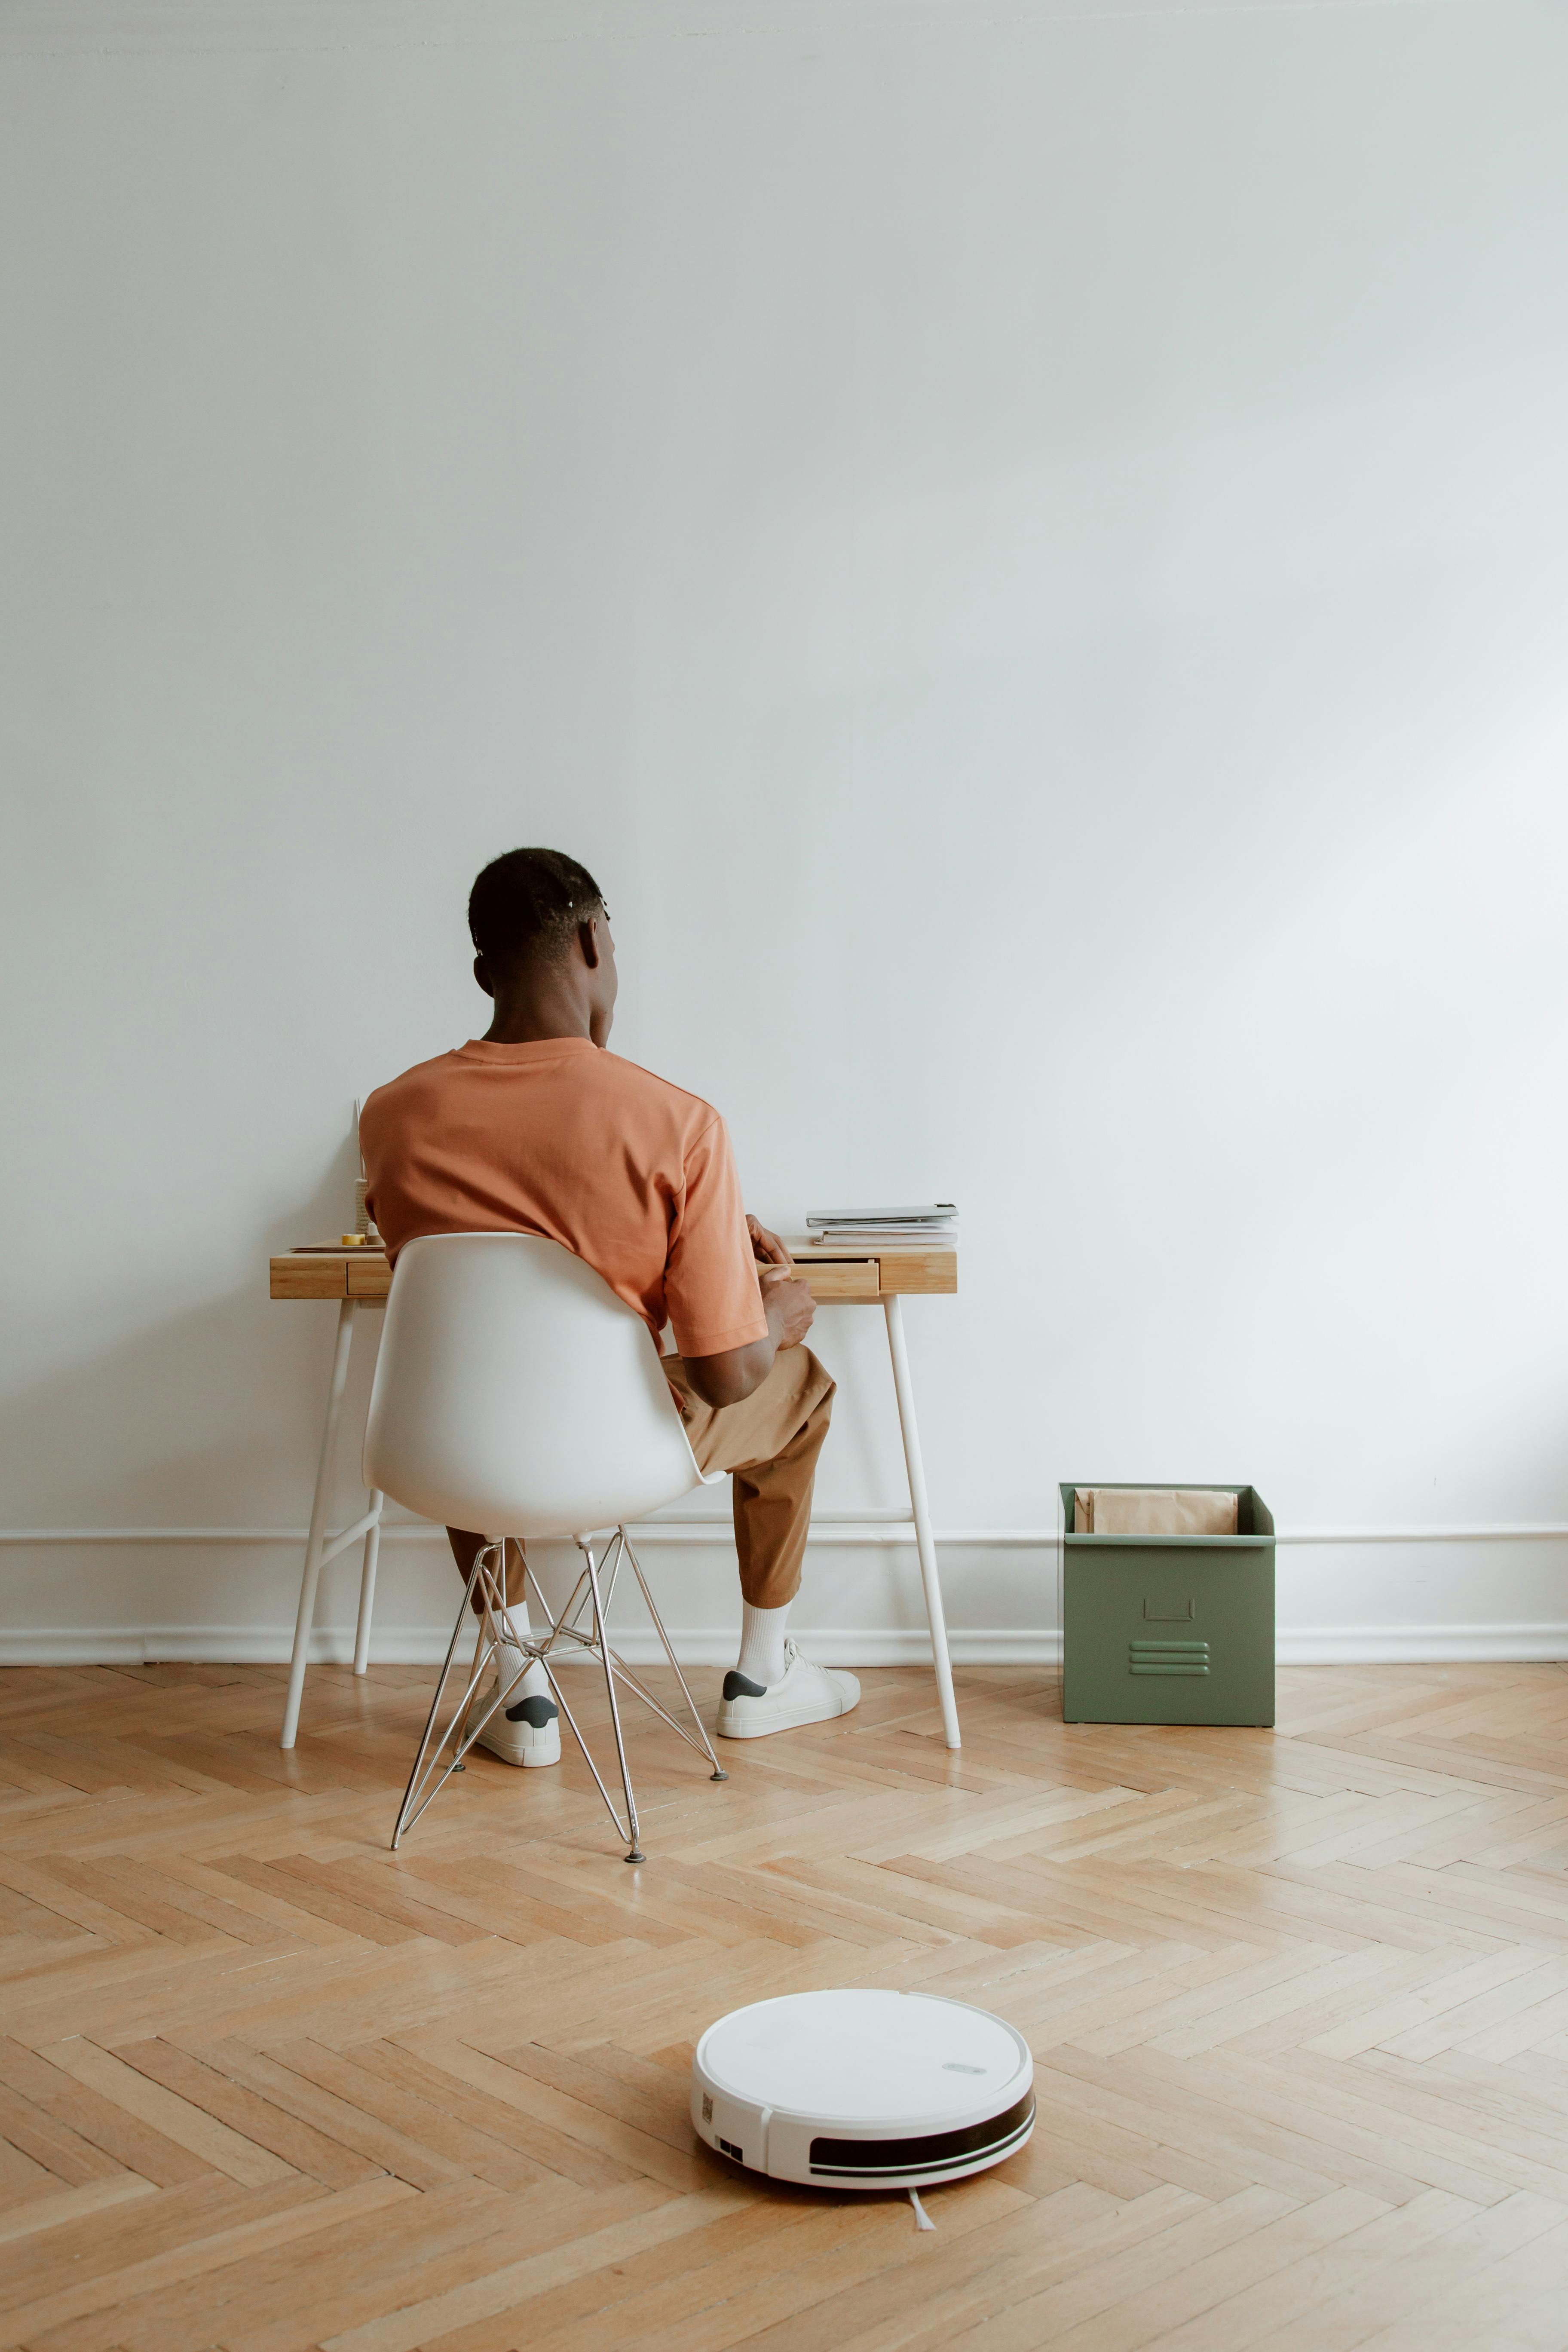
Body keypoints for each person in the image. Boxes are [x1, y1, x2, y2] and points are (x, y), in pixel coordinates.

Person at [359, 845, 859, 1769]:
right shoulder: (678, 1124)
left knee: (468, 1388)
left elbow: (462, 1298)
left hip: (449, 1448)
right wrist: (775, 1310)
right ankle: (763, 1674)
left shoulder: (392, 1116)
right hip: (620, 1455)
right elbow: (727, 1375)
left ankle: (518, 1682)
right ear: (593, 941)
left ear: (484, 973)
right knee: (803, 1385)